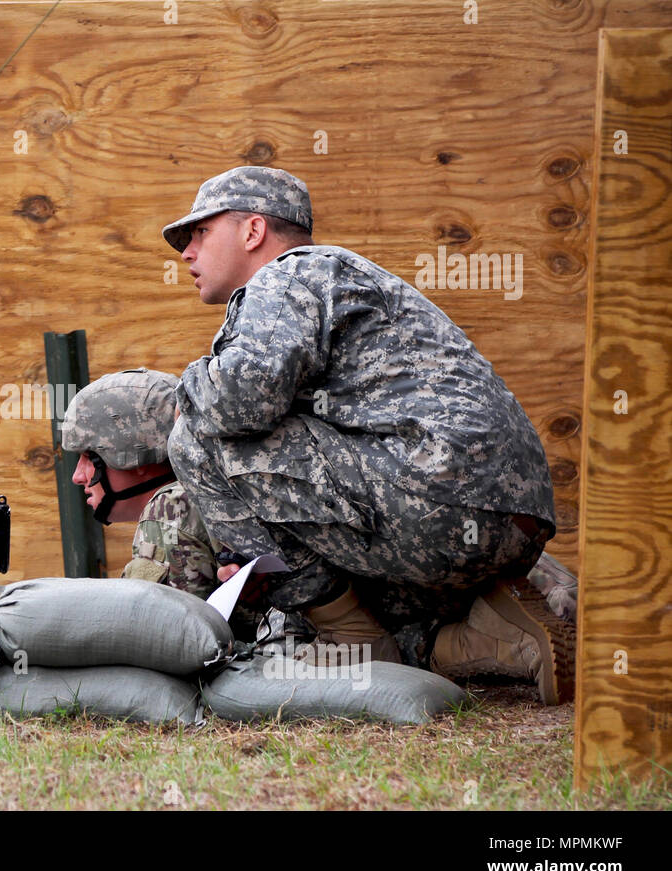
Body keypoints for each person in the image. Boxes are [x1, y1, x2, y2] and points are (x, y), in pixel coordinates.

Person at [161, 165, 575, 704]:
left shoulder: (288, 275)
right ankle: (501, 636)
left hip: (432, 503)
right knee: (384, 612)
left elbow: (239, 402)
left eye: (200, 233)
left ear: (253, 231)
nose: (186, 253)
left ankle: (350, 637)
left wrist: (188, 385)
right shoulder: (355, 280)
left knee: (196, 435)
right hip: (513, 522)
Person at [61, 369, 264, 640]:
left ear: (135, 455)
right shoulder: (216, 490)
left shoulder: (171, 507)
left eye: (90, 456)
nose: (78, 476)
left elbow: (145, 642)